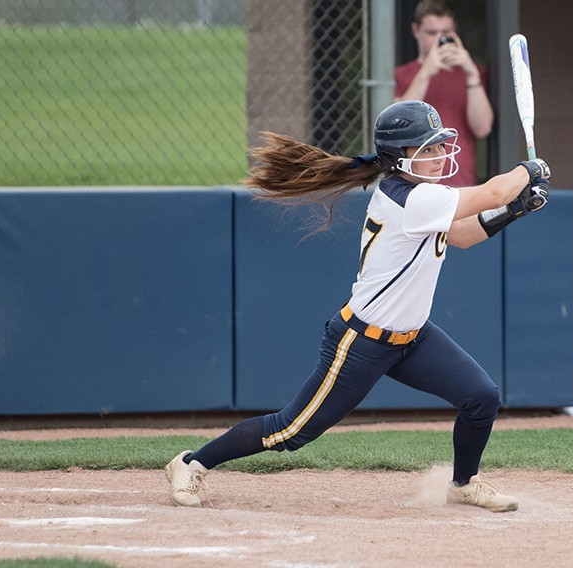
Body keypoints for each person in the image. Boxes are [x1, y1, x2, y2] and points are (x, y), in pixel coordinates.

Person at [164, 100, 551, 512]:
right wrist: (527, 172)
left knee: (481, 397)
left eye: (439, 147)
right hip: (362, 342)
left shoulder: (424, 197)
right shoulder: (412, 199)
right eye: (428, 149)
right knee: (290, 431)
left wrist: (515, 208)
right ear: (400, 158)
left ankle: (463, 483)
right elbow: (493, 190)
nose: (439, 156)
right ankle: (191, 462)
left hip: (414, 339)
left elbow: (462, 236)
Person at [395, 0, 494, 187]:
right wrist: (426, 72)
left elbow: (482, 128)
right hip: (415, 184)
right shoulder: (401, 75)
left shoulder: (473, 73)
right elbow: (399, 123)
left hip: (460, 182)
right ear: (416, 31)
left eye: (446, 32)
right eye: (432, 33)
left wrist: (471, 73)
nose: (440, 39)